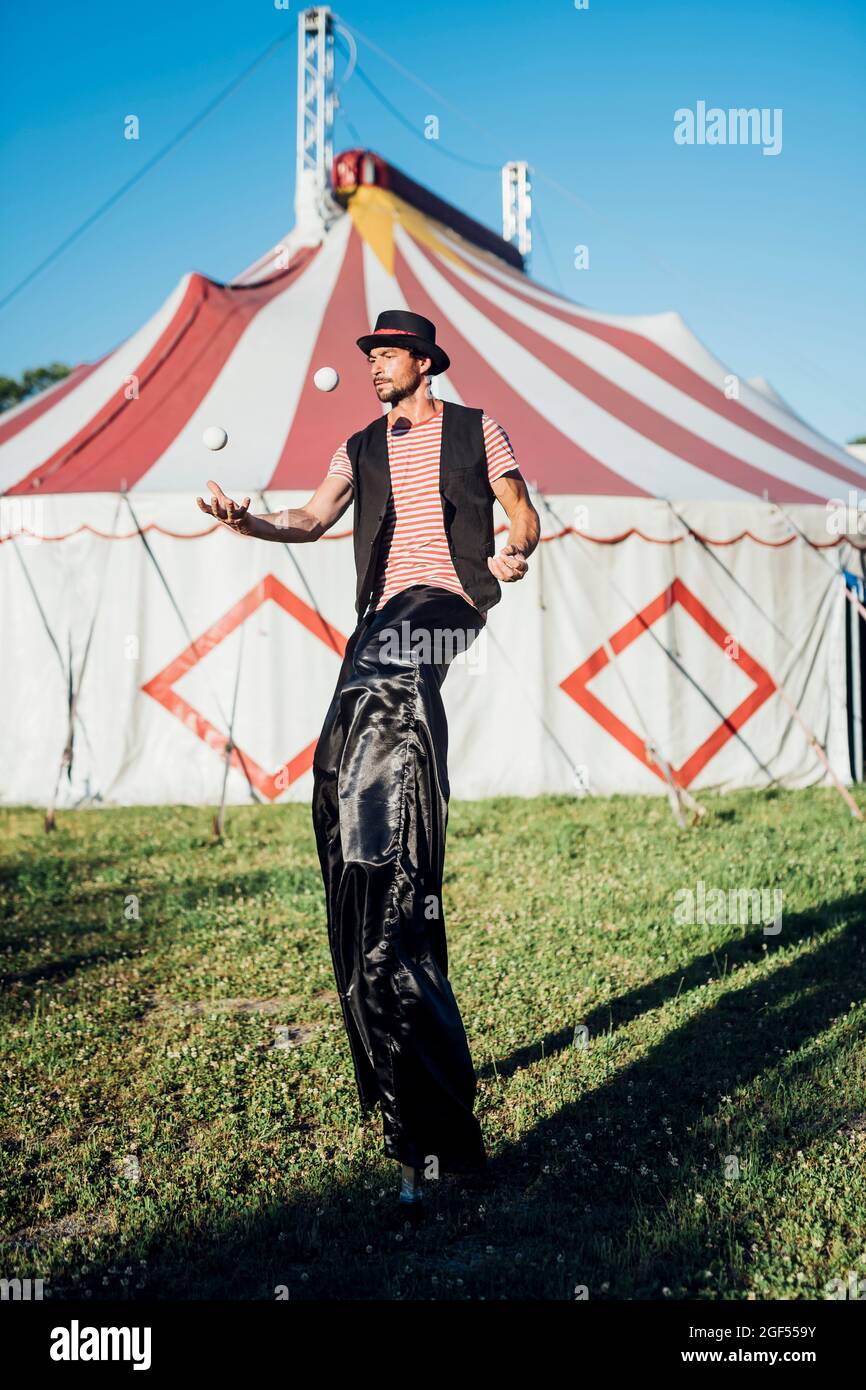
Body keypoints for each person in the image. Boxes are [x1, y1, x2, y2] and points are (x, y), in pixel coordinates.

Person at [196, 309, 540, 1215]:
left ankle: (388, 847)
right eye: (370, 357)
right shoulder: (360, 444)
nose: (373, 367)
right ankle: (370, 859)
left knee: (387, 670)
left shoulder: (477, 428)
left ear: (421, 360)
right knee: (345, 759)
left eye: (384, 355)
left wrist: (515, 550)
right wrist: (247, 522)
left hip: (446, 601)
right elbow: (311, 520)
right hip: (381, 623)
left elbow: (523, 510)